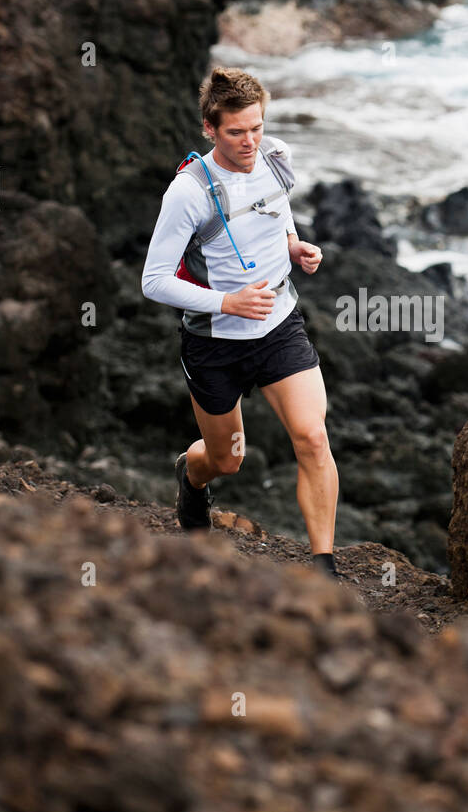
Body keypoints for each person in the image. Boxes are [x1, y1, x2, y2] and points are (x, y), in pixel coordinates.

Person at [141, 66, 340, 578]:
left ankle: (324, 566)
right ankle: (192, 475)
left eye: (256, 127)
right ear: (210, 128)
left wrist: (293, 246)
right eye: (236, 132)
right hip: (215, 344)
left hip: (279, 326)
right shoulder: (188, 192)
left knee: (312, 437)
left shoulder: (274, 157)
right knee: (227, 459)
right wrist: (226, 302)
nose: (250, 141)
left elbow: (276, 208)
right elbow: (154, 280)